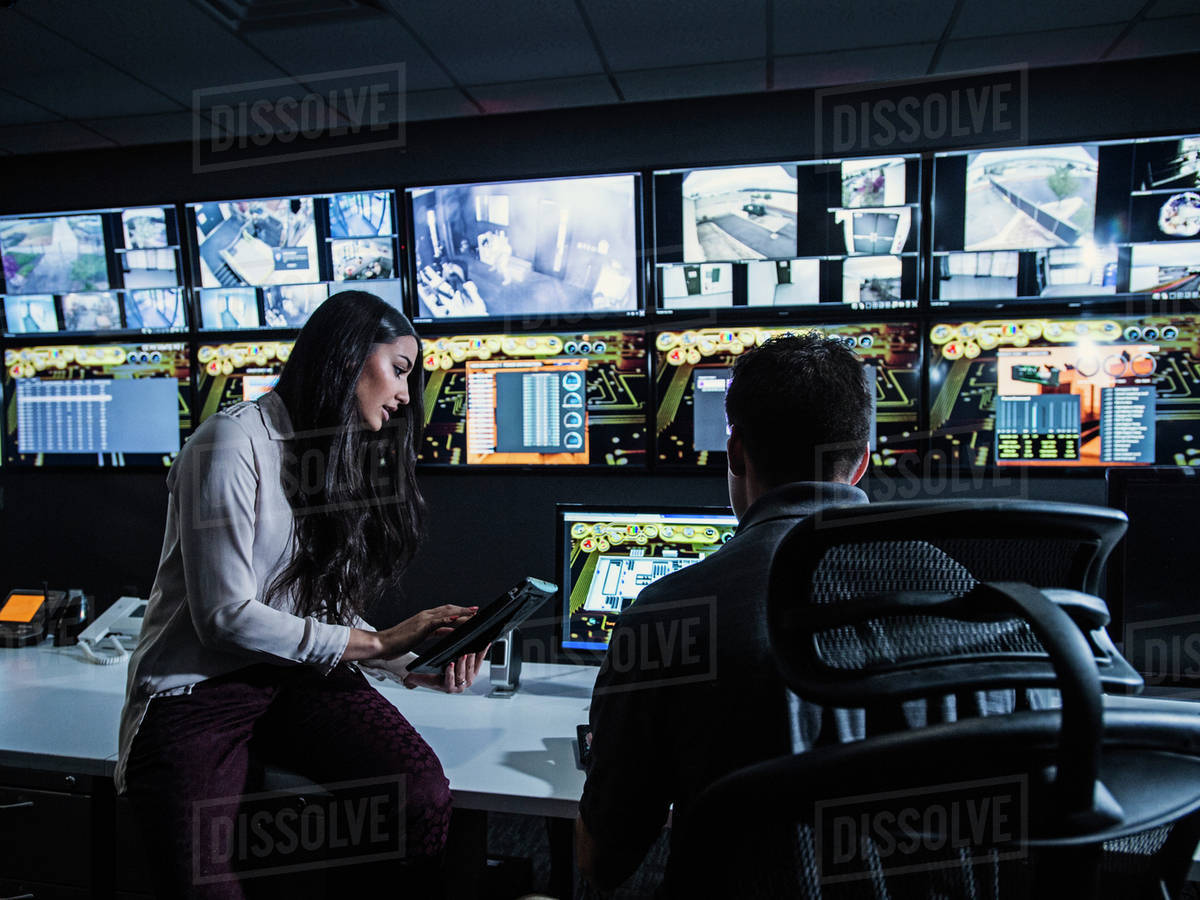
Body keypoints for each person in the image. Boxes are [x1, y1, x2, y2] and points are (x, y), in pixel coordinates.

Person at [118, 290, 485, 898]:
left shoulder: (331, 454)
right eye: (398, 370)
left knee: (418, 796)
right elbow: (224, 617)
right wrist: (378, 641)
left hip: (293, 679)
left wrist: (410, 663)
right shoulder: (229, 443)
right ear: (346, 357)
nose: (404, 396)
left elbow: (314, 610)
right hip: (202, 691)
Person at [575, 332, 873, 895]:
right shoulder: (959, 596)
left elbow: (603, 858)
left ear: (735, 452)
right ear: (859, 464)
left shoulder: (669, 614)